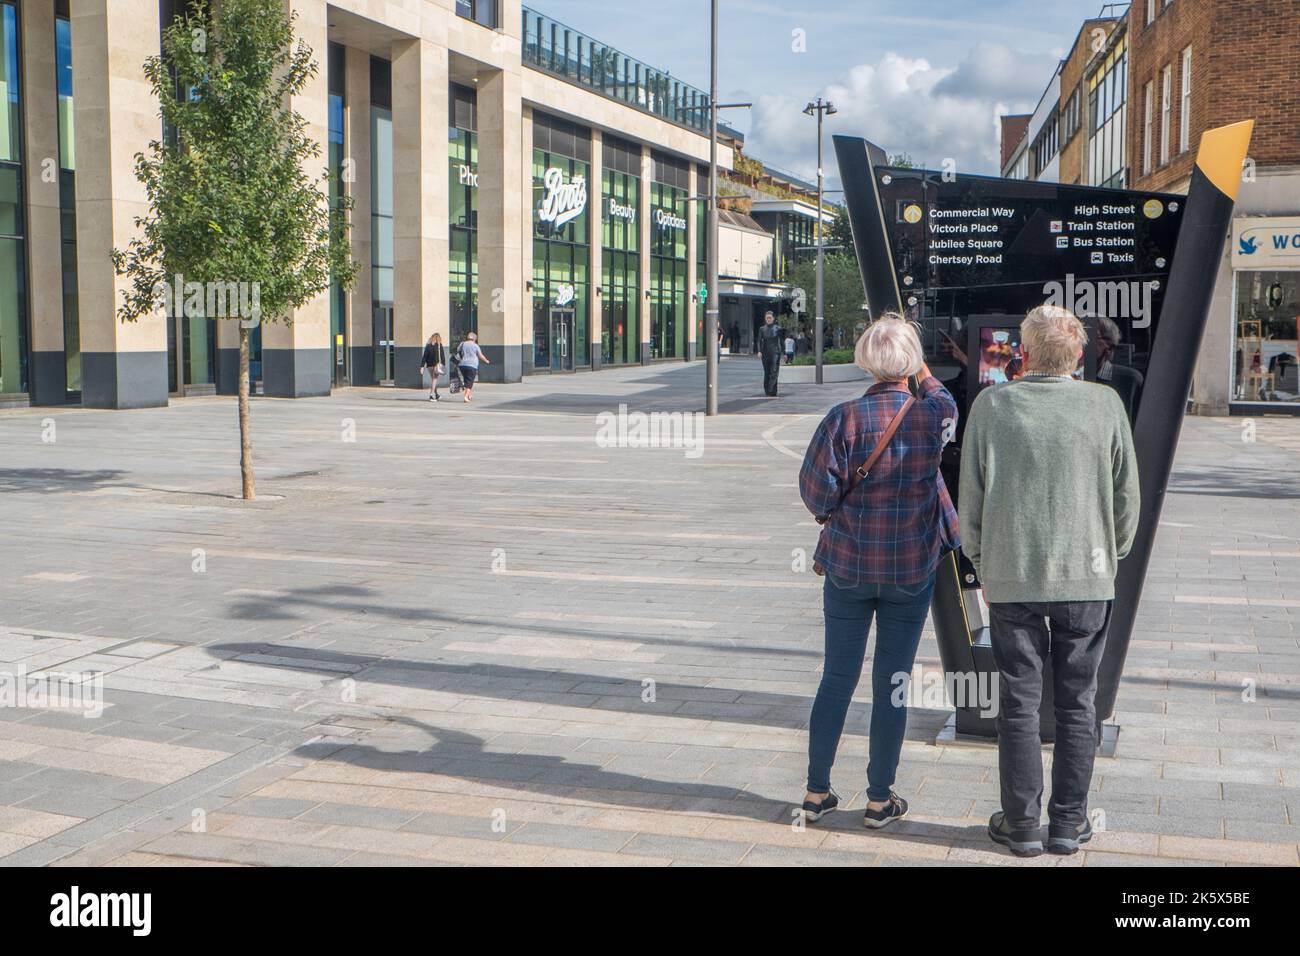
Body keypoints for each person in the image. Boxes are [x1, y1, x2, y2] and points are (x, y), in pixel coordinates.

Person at [959, 304, 1139, 858]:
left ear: (1025, 353)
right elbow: (1126, 496)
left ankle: (1020, 826)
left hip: (1014, 576)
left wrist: (981, 559)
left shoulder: (992, 405)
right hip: (1086, 577)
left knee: (1017, 703)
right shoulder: (1105, 404)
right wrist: (1111, 554)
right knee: (1078, 703)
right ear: (1079, 355)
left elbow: (973, 496)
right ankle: (1067, 824)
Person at [797, 316, 960, 829]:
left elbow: (815, 493)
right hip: (910, 569)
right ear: (911, 365)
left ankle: (816, 791)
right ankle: (879, 800)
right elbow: (940, 394)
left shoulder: (841, 419)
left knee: (836, 678)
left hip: (848, 566)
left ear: (865, 360)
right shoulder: (935, 412)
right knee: (892, 682)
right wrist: (920, 366)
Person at [456, 331, 490, 404]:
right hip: (472, 365)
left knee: (466, 380)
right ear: (474, 339)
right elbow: (480, 355)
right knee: (470, 382)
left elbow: (458, 350)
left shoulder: (462, 344)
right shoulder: (475, 346)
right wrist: (486, 360)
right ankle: (466, 397)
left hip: (462, 365)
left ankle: (469, 395)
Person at [757, 311, 784, 396]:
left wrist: (785, 353)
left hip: (775, 352)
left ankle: (772, 390)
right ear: (765, 319)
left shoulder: (778, 328)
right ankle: (767, 390)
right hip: (765, 352)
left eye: (770, 318)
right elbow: (758, 341)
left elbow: (782, 341)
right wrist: (759, 351)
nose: (768, 319)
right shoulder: (762, 329)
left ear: (773, 318)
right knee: (767, 372)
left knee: (774, 371)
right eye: (767, 318)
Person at [420, 333, 446, 402]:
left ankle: (436, 394)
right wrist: (443, 365)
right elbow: (442, 357)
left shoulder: (428, 346)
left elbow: (424, 357)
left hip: (429, 366)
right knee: (434, 380)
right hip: (436, 365)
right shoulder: (439, 346)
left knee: (433, 380)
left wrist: (422, 366)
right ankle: (431, 395)